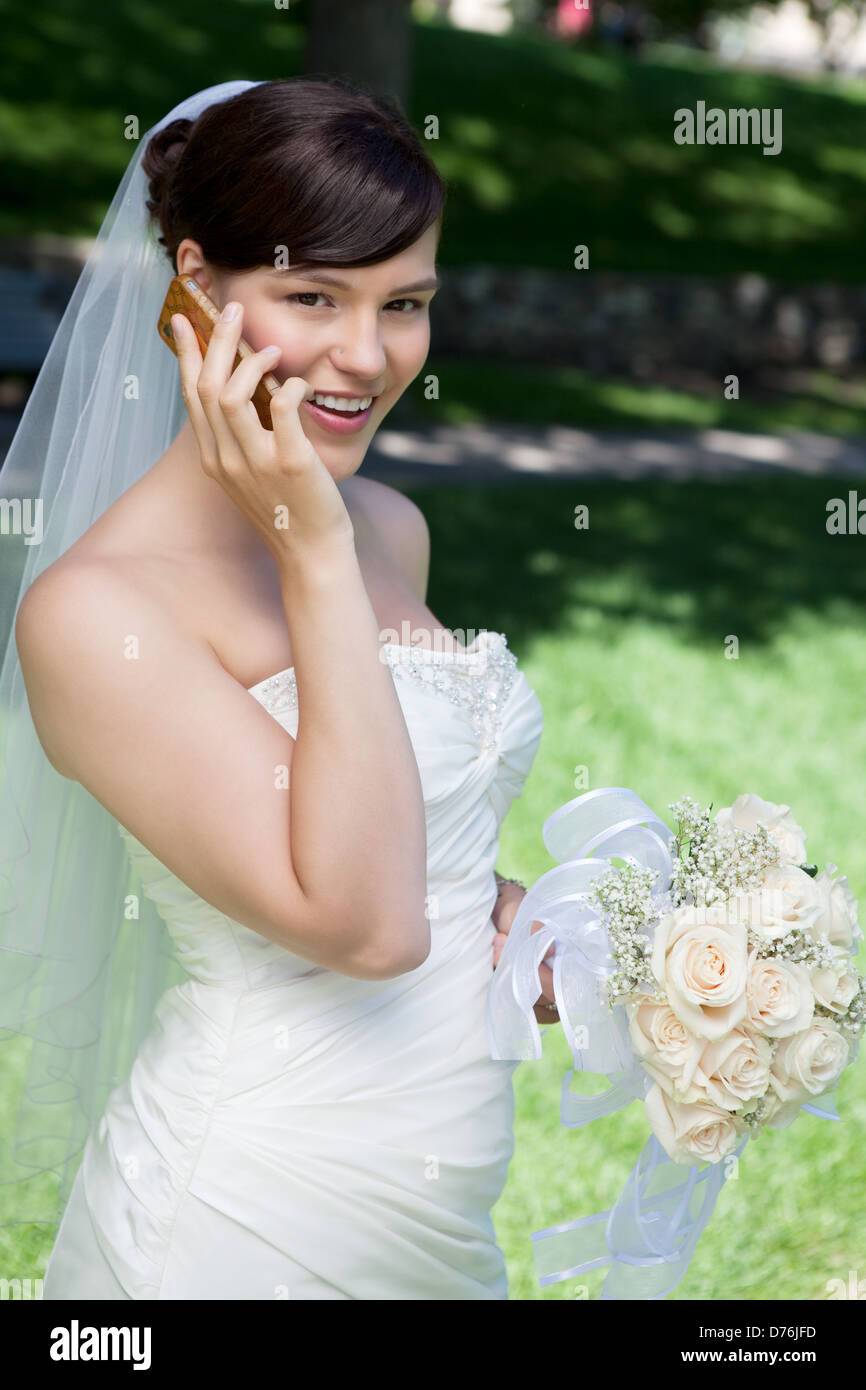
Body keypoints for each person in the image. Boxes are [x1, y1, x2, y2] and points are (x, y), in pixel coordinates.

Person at [1, 77, 552, 1300]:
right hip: (240, 1223)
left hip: (432, 1214)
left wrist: (524, 931)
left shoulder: (389, 529)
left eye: (404, 305)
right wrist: (308, 549)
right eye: (315, 297)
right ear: (196, 285)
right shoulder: (96, 618)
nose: (366, 356)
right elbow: (363, 924)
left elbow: (413, 862)